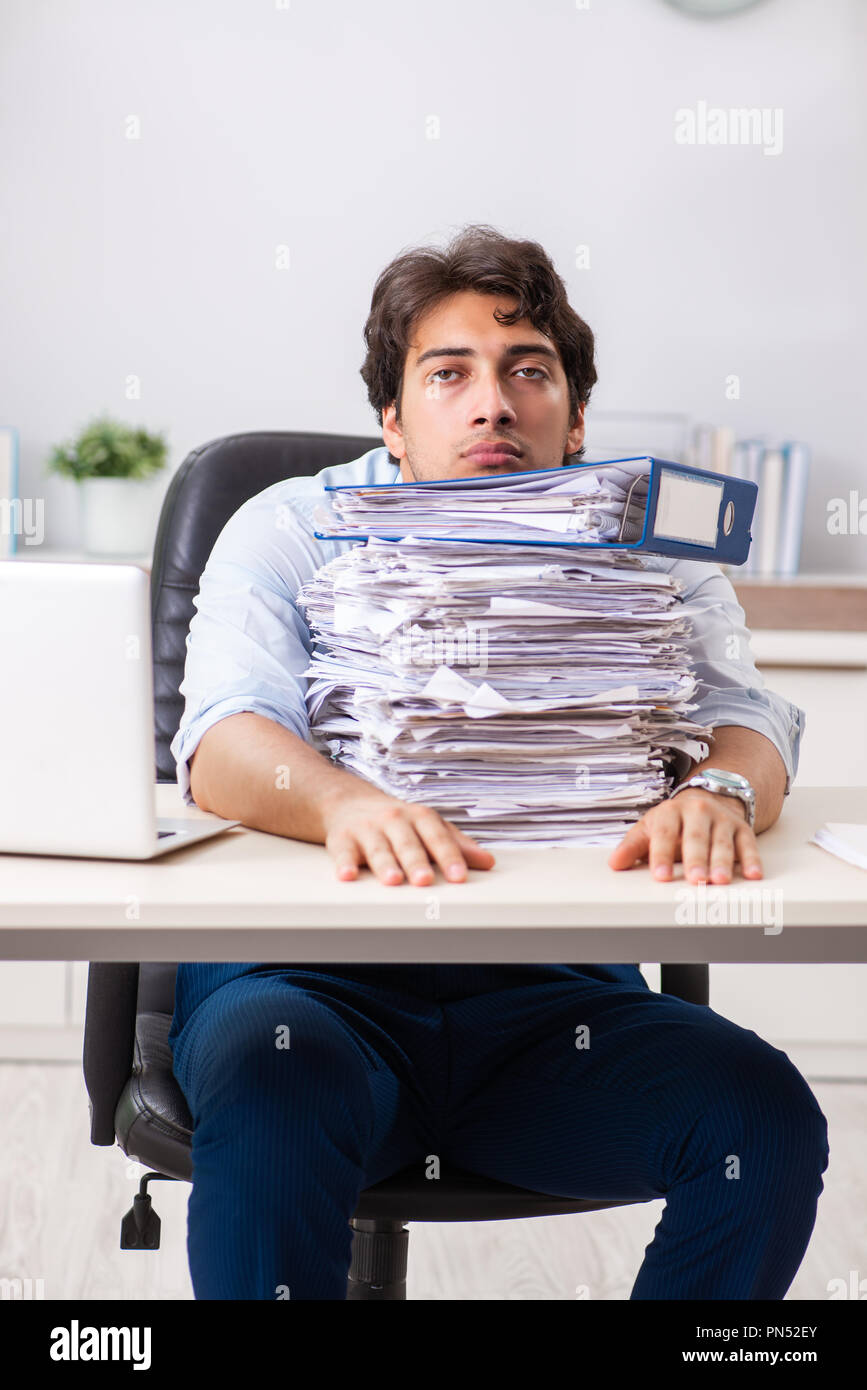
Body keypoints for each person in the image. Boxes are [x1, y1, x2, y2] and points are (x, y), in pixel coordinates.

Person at [167, 224, 828, 1300]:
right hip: (307, 983)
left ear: (575, 416)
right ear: (392, 418)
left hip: (555, 1001)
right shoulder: (290, 526)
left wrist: (719, 786)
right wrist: (342, 804)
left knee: (758, 1118)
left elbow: (746, 715)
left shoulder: (648, 543)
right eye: (449, 374)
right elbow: (221, 741)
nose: (494, 405)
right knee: (274, 1076)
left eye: (529, 371)